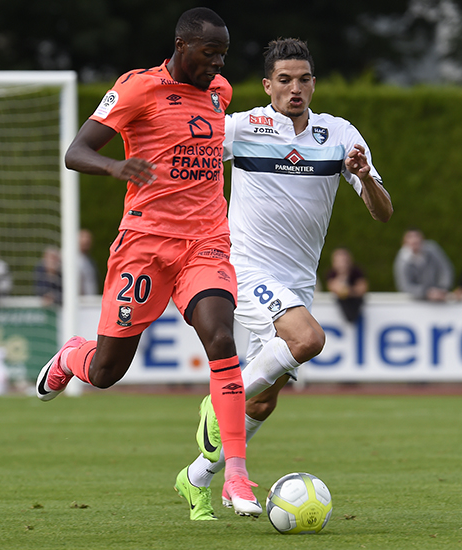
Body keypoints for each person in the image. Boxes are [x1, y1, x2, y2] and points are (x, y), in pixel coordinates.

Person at [32, 8, 261, 518]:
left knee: (222, 338)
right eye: (209, 53)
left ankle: (237, 476)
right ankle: (73, 356)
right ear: (182, 45)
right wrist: (116, 165)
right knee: (108, 370)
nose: (218, 64)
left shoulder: (220, 91)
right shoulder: (137, 89)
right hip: (145, 245)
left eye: (223, 54)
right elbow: (76, 151)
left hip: (205, 243)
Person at [176, 38, 393, 521]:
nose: (296, 89)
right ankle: (218, 404)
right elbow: (188, 155)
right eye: (286, 80)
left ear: (314, 83)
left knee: (265, 401)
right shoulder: (242, 127)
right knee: (308, 338)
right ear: (267, 85)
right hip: (246, 267)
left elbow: (383, 214)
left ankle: (196, 477)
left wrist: (366, 178)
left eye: (305, 79)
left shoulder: (339, 135)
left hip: (297, 282)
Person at [393, 227, 454, 302]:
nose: (414, 240)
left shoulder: (432, 250)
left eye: (416, 236)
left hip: (439, 298)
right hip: (415, 302)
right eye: (410, 237)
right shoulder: (402, 260)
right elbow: (404, 285)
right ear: (405, 242)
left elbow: (445, 270)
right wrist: (426, 293)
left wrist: (442, 289)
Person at [325, 247, 368, 323]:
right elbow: (335, 289)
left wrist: (348, 291)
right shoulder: (331, 273)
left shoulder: (356, 271)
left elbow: (362, 288)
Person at [78, 228, 99, 295]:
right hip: (77, 300)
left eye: (88, 238)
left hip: (89, 301)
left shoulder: (90, 261)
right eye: (83, 237)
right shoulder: (67, 259)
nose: (86, 240)